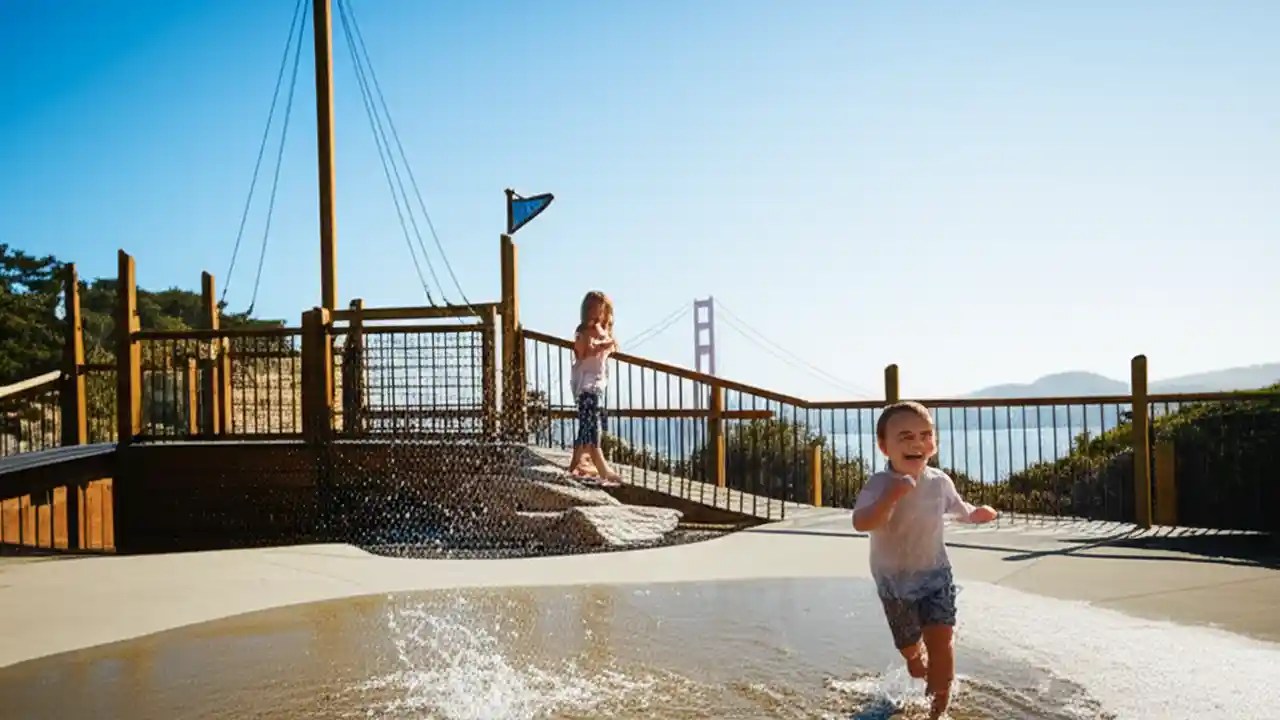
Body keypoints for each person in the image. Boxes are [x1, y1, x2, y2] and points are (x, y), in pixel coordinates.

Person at [852, 400, 997, 719]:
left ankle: (938, 712)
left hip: (935, 576)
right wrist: (890, 497)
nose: (918, 443)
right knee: (911, 651)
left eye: (926, 435)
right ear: (883, 446)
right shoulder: (879, 484)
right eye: (906, 437)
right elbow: (861, 522)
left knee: (942, 641)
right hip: (894, 583)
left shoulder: (939, 481)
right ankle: (914, 659)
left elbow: (960, 510)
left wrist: (977, 514)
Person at [567, 291, 622, 486]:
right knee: (590, 423)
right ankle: (597, 463)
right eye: (593, 309)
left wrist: (601, 339)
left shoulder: (600, 331)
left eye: (600, 310)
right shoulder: (581, 332)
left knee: (588, 423)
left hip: (596, 385)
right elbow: (583, 352)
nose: (596, 314)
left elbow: (613, 345)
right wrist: (599, 344)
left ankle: (578, 462)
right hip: (586, 385)